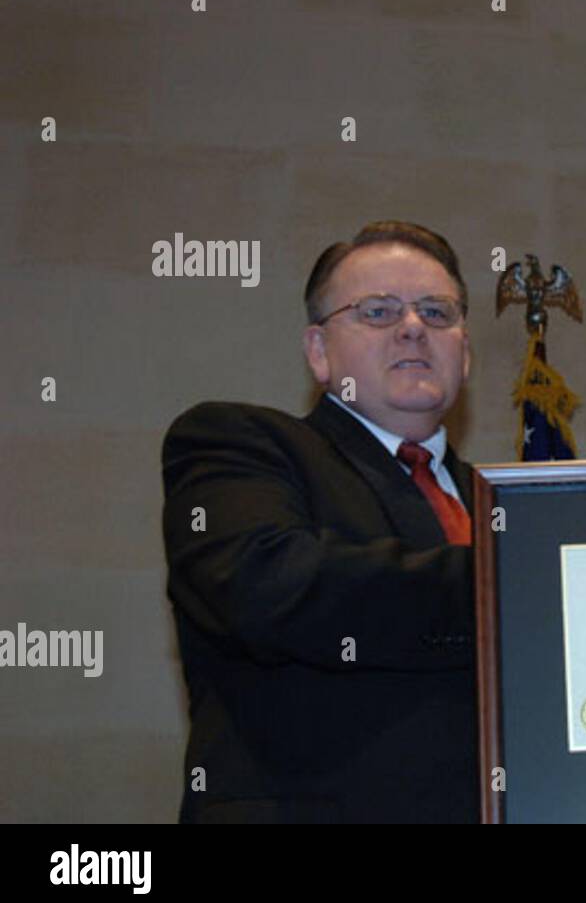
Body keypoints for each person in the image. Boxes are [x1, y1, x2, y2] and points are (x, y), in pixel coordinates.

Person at [161, 221, 479, 822]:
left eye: (438, 313)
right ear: (318, 351)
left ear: (466, 351)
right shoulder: (236, 444)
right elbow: (270, 586)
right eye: (379, 311)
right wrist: (516, 579)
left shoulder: (502, 509)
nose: (413, 327)